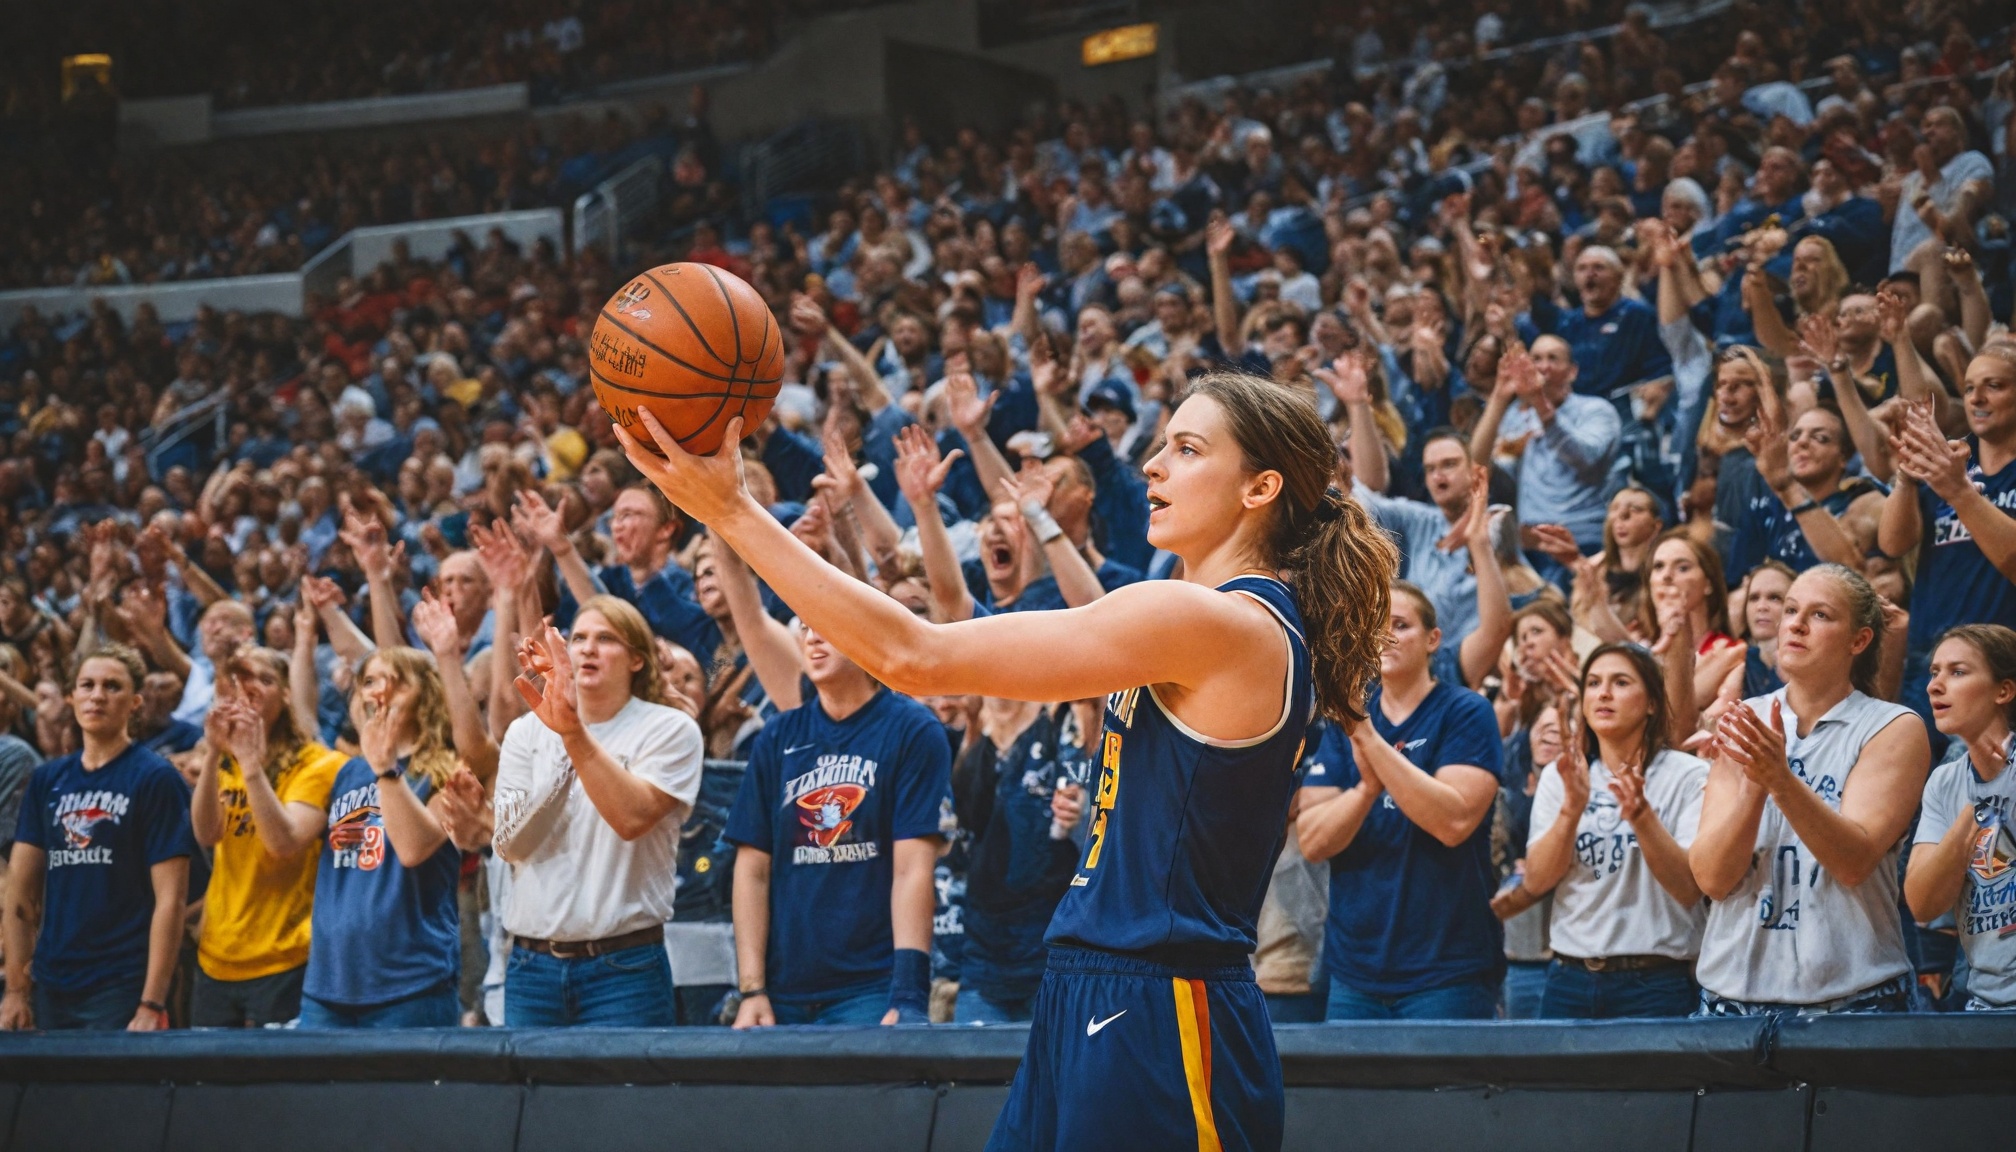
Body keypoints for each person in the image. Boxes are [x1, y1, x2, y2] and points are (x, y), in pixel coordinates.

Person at [615, 371, 1395, 1152]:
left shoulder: (1213, 620)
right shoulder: (1211, 618)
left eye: (1187, 449)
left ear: (1261, 487)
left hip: (1160, 1001)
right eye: (1162, 444)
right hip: (1101, 985)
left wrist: (731, 512)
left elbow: (914, 655)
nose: (1154, 464)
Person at [1691, 565, 1930, 1015]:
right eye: (1791, 610)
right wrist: (1754, 790)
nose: (1796, 624)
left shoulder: (1893, 727)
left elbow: (1854, 861)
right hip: (1730, 1000)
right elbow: (1712, 879)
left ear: (1859, 641)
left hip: (1854, 1000)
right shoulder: (1743, 719)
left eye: (1820, 615)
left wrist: (1780, 779)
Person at [723, 610, 952, 1027]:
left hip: (871, 989)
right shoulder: (777, 737)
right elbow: (752, 870)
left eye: (828, 625)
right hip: (782, 990)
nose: (813, 638)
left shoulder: (913, 731)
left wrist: (908, 994)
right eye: (806, 628)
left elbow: (912, 870)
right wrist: (752, 988)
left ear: (866, 637)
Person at [1298, 582, 1506, 1020]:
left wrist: (1368, 738)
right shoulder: (1346, 722)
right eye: (1375, 625)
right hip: (1354, 974)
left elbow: (1453, 823)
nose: (1385, 635)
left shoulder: (1465, 712)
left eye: (1400, 624)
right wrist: (1367, 789)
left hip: (1448, 972)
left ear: (1433, 639)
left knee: (1448, 1092)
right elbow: (1314, 841)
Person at [495, 594, 704, 1028]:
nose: (588, 648)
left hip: (624, 970)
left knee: (620, 1098)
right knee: (530, 1098)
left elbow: (631, 819)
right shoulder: (524, 732)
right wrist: (560, 754)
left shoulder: (669, 730)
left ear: (637, 661)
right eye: (579, 638)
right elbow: (511, 845)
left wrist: (572, 734)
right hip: (530, 968)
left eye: (606, 639)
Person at [1, 645, 193, 1031]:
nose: (97, 695)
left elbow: (170, 900)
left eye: (112, 686)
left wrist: (152, 1001)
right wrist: (17, 991)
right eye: (87, 685)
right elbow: (20, 893)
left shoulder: (156, 778)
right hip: (52, 978)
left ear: (135, 702)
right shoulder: (47, 780)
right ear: (71, 697)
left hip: (121, 981)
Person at [1516, 645, 1707, 1018]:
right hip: (1568, 977)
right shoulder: (1563, 774)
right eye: (1593, 683)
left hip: (1656, 982)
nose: (1603, 693)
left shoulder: (1688, 776)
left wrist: (1641, 816)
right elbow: (1537, 881)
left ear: (1652, 703)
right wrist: (1571, 809)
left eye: (1620, 682)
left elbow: (1688, 888)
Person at [299, 648, 472, 1028]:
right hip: (329, 981)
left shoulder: (449, 771)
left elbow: (412, 850)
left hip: (409, 984)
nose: (379, 692)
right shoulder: (347, 773)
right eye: (370, 681)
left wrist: (386, 769)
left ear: (426, 694)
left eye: (396, 682)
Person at [190, 647, 347, 1027]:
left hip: (286, 956)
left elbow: (284, 842)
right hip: (216, 955)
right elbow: (207, 834)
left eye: (265, 679)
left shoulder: (318, 764)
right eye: (241, 681)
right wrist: (213, 753)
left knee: (276, 1085)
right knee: (206, 1083)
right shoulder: (222, 761)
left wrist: (249, 764)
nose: (251, 689)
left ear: (288, 693)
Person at [1906, 625, 2016, 1010]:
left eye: (1957, 672)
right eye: (1934, 672)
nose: (1935, 686)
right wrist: (1976, 807)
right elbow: (1923, 902)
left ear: (2004, 691)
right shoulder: (1945, 780)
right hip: (1982, 1004)